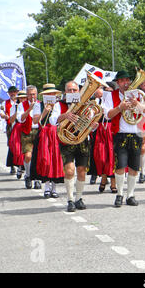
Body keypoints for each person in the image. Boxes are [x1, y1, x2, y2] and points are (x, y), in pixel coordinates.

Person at [102, 70, 145, 207]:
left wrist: (137, 104)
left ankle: (130, 194)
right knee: (120, 166)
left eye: (127, 80)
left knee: (134, 167)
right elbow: (107, 115)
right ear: (118, 83)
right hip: (120, 134)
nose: (126, 83)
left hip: (136, 134)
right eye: (122, 81)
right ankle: (119, 194)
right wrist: (120, 107)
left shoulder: (139, 94)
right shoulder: (111, 96)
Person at [50, 80, 96, 212]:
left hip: (82, 140)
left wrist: (93, 126)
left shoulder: (85, 105)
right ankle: (70, 199)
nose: (72, 92)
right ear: (65, 92)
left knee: (81, 171)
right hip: (66, 140)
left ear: (78, 91)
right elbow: (53, 120)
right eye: (69, 90)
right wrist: (65, 115)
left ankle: (79, 198)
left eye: (74, 90)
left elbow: (90, 123)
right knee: (70, 170)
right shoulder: (60, 104)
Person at [30, 83, 64, 198]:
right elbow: (35, 122)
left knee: (56, 161)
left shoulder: (58, 105)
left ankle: (54, 188)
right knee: (45, 160)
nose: (51, 95)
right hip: (44, 134)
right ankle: (47, 187)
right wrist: (45, 111)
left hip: (56, 134)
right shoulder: (38, 105)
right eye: (48, 94)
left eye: (52, 93)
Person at [16, 85, 42, 189]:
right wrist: (29, 109)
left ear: (37, 94)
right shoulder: (22, 105)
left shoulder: (41, 104)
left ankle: (37, 178)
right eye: (30, 94)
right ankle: (28, 174)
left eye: (34, 94)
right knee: (28, 156)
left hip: (38, 131)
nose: (32, 96)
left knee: (38, 156)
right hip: (27, 131)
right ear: (27, 95)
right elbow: (21, 119)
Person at [0, 86, 18, 174]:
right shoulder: (5, 103)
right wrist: (4, 116)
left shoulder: (20, 101)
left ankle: (20, 164)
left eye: (14, 92)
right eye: (11, 92)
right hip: (10, 126)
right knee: (11, 145)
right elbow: (1, 113)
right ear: (9, 94)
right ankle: (12, 165)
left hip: (19, 125)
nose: (13, 94)